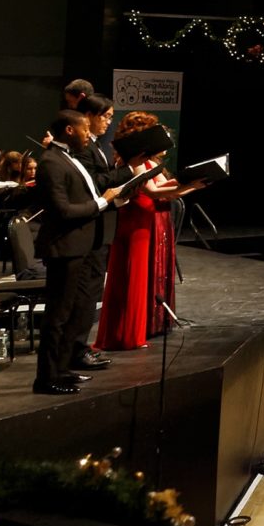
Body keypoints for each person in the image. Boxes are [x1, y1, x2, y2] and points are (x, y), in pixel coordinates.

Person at [33, 110, 125, 395]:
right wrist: (102, 203)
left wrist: (111, 200)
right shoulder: (50, 162)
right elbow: (62, 210)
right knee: (57, 315)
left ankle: (61, 370)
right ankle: (45, 378)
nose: (89, 134)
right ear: (70, 130)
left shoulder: (67, 158)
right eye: (85, 129)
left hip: (80, 246)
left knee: (71, 311)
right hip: (64, 248)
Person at [94, 113, 202, 351]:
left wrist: (191, 182)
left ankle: (140, 327)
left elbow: (164, 187)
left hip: (147, 220)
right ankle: (127, 333)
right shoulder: (134, 161)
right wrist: (190, 186)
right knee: (133, 275)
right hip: (136, 221)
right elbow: (154, 192)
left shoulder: (149, 162)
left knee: (143, 275)